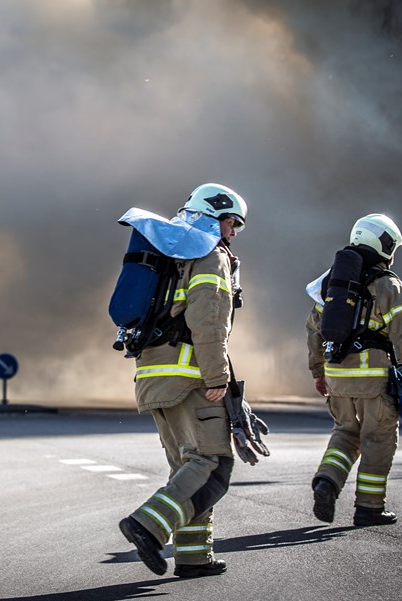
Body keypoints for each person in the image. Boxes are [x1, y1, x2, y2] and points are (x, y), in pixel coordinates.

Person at [118, 182, 247, 579]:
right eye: (233, 224)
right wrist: (217, 377)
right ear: (217, 217)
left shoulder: (165, 250)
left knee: (186, 469)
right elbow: (207, 322)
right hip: (191, 377)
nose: (234, 233)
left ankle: (193, 557)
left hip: (153, 376)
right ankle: (148, 525)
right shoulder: (209, 255)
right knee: (211, 463)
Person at [305, 213, 402, 526]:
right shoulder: (388, 286)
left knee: (345, 433)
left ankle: (327, 481)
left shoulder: (331, 285)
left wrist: (318, 371)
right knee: (377, 439)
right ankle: (369, 508)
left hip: (337, 377)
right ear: (385, 245)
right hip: (373, 379)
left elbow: (313, 330)